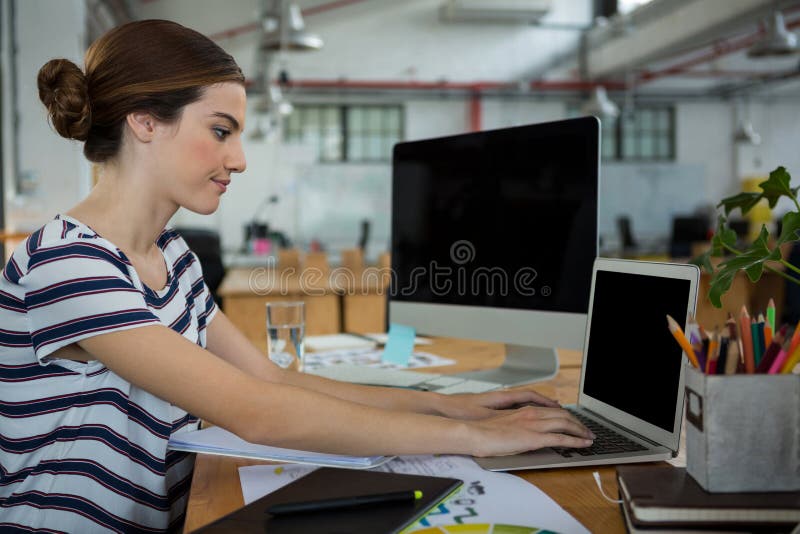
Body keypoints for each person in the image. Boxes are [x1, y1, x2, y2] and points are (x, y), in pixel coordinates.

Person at [0, 19, 594, 533]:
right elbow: (258, 412)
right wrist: (478, 441)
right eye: (220, 130)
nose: (238, 158)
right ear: (145, 123)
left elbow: (271, 380)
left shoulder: (171, 256)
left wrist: (454, 411)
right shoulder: (67, 263)